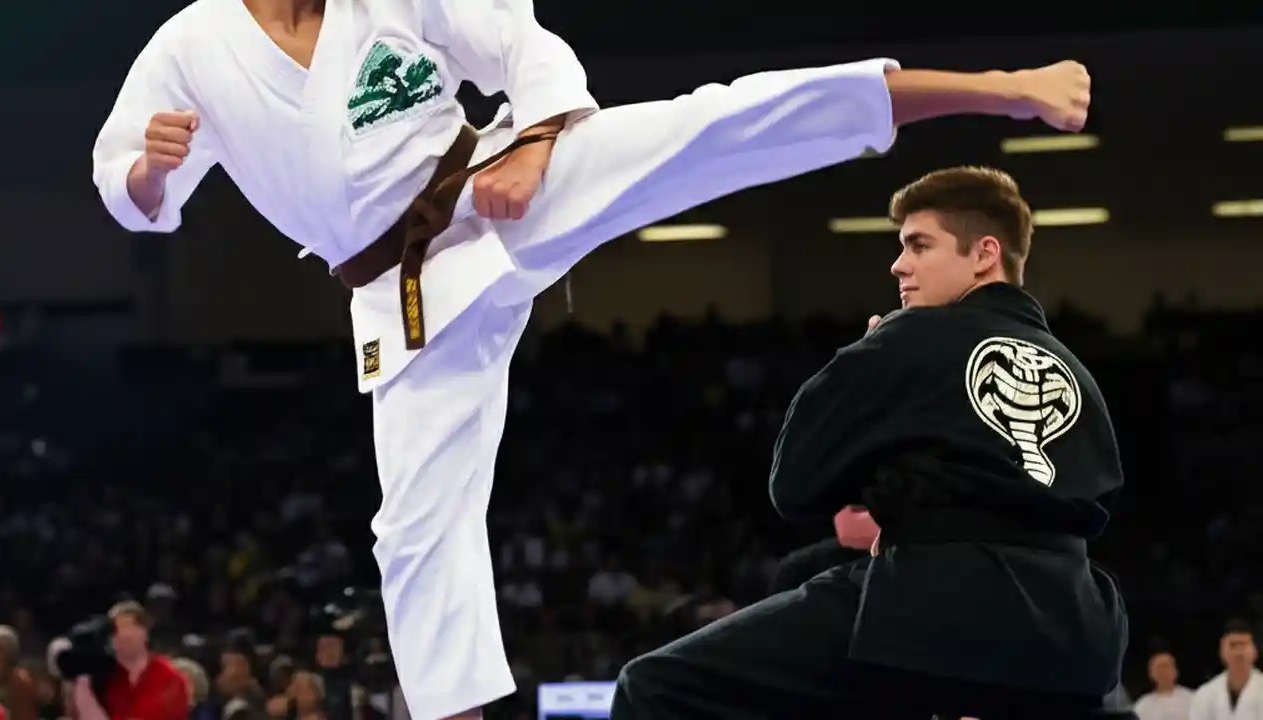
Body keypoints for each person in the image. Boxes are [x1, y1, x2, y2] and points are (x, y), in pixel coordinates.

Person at [90, 1, 1091, 716]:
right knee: (414, 529)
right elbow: (128, 189)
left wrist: (530, 145)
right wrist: (151, 169)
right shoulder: (191, 42)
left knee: (715, 122)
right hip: (401, 292)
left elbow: (520, 43)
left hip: (492, 184)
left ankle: (989, 89)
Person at [610, 166, 1130, 719]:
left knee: (654, 686)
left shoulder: (913, 335)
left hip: (928, 615)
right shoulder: (1079, 372)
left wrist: (864, 354)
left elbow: (795, 486)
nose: (898, 264)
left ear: (983, 254)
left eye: (918, 245)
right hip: (1075, 635)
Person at [1191, 620, 1263, 719]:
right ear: (1222, 652)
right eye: (1232, 645)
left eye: (1243, 645)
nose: (1238, 653)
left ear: (1255, 651)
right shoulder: (1205, 694)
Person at [1133, 649, 1193, 720]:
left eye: (1166, 666)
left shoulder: (1191, 698)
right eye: (1159, 668)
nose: (1164, 672)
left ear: (1175, 671)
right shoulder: (1142, 705)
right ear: (1151, 674)